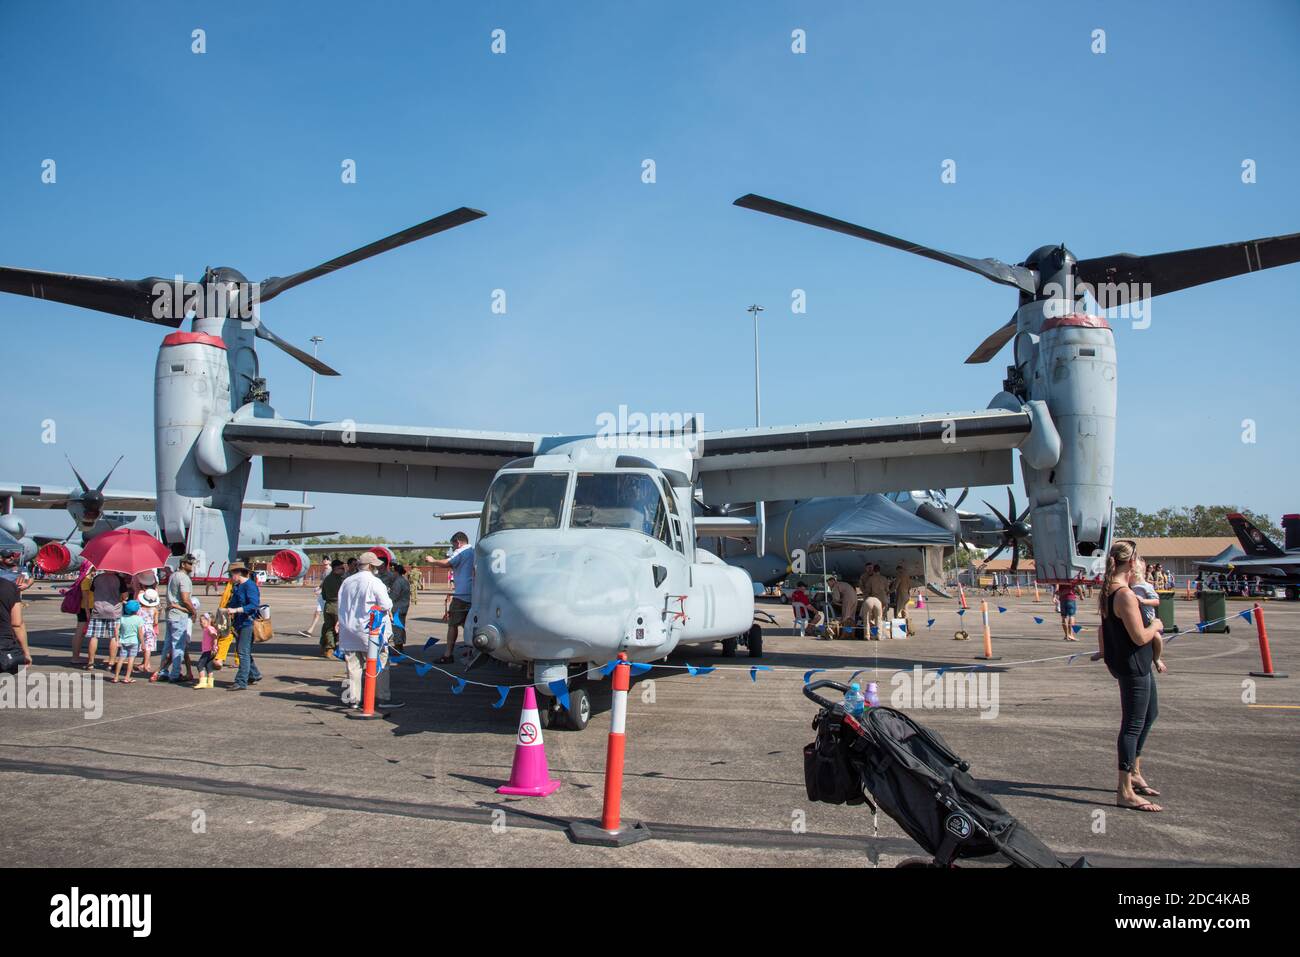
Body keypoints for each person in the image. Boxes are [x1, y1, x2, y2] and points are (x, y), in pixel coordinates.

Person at [1097, 540, 1166, 813]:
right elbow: (1139, 636)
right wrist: (1158, 625)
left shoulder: (1109, 591)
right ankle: (1124, 791)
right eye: (1137, 558)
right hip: (1133, 664)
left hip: (1137, 663)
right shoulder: (1123, 594)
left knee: (1150, 714)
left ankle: (1134, 772)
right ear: (1129, 562)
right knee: (1133, 725)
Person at [336, 551, 393, 708]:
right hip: (369, 631)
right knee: (380, 663)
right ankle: (381, 697)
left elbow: (340, 605)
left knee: (353, 667)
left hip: (348, 629)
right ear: (370, 566)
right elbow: (386, 604)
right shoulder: (375, 582)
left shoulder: (347, 582)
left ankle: (353, 700)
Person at [424, 532, 474, 664]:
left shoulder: (461, 551)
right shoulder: (473, 551)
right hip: (472, 594)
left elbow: (448, 562)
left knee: (453, 624)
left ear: (458, 542)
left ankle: (448, 654)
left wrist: (433, 561)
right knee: (467, 623)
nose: (453, 549)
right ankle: (472, 649)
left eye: (453, 546)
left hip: (461, 595)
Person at [157, 554, 198, 683]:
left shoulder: (173, 575)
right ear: (183, 564)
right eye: (190, 563)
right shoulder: (184, 578)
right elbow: (185, 599)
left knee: (167, 645)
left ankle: (163, 671)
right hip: (179, 615)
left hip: (171, 614)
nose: (192, 566)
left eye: (192, 564)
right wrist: (193, 611)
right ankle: (175, 674)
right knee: (178, 646)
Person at [225, 563, 263, 691]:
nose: (230, 577)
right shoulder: (238, 587)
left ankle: (241, 681)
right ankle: (254, 674)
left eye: (231, 574)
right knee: (244, 651)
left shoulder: (250, 586)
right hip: (239, 623)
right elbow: (232, 602)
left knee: (242, 652)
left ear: (238, 573)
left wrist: (236, 610)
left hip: (248, 623)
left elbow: (253, 605)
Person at [86, 569, 127, 671]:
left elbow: (92, 592)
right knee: (114, 637)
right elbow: (125, 596)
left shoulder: (97, 578)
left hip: (98, 610)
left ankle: (90, 662)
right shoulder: (119, 579)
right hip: (114, 611)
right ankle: (111, 663)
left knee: (94, 636)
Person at [0, 542, 32, 674]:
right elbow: (17, 624)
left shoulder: (19, 569)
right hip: (3, 644)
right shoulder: (9, 586)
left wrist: (26, 585)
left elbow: (30, 579)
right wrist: (26, 652)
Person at [112, 599, 144, 683]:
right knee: (131, 659)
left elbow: (116, 630)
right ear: (137, 610)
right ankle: (127, 677)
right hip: (134, 642)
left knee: (121, 659)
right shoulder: (139, 619)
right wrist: (143, 643)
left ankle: (116, 677)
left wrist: (117, 640)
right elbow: (140, 633)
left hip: (123, 641)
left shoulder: (122, 618)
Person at [318, 559, 345, 657]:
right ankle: (332, 647)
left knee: (328, 628)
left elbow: (323, 595)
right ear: (335, 569)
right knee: (339, 628)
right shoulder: (343, 580)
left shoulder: (327, 579)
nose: (343, 570)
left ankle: (328, 648)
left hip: (328, 606)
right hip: (339, 605)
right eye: (341, 568)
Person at [70, 565, 96, 664]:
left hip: (87, 608)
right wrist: (87, 612)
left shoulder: (88, 580)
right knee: (79, 633)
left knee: (81, 633)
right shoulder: (86, 580)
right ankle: (75, 657)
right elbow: (85, 598)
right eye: (94, 569)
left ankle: (76, 656)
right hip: (85, 608)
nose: (95, 571)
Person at [388, 562, 410, 654]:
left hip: (397, 608)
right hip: (404, 607)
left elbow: (394, 595)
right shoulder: (405, 580)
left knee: (397, 628)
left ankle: (398, 648)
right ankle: (400, 647)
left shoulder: (397, 582)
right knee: (401, 627)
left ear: (396, 572)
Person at [137, 587, 161, 675]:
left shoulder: (139, 609)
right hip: (149, 628)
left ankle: (143, 663)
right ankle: (146, 665)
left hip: (140, 628)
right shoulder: (154, 610)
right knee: (148, 648)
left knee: (141, 645)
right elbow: (156, 622)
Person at [828, 573, 859, 639]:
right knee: (852, 618)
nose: (829, 585)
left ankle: (844, 635)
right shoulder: (842, 583)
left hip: (848, 599)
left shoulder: (835, 586)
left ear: (832, 581)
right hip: (855, 597)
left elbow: (836, 599)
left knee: (846, 618)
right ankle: (852, 635)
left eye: (829, 583)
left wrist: (834, 601)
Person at [195, 612, 218, 689]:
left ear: (209, 620)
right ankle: (210, 682)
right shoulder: (207, 628)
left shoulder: (209, 628)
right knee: (208, 666)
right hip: (209, 650)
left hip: (208, 651)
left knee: (200, 665)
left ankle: (202, 682)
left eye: (203, 621)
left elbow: (214, 636)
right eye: (200, 622)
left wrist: (214, 646)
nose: (201, 623)